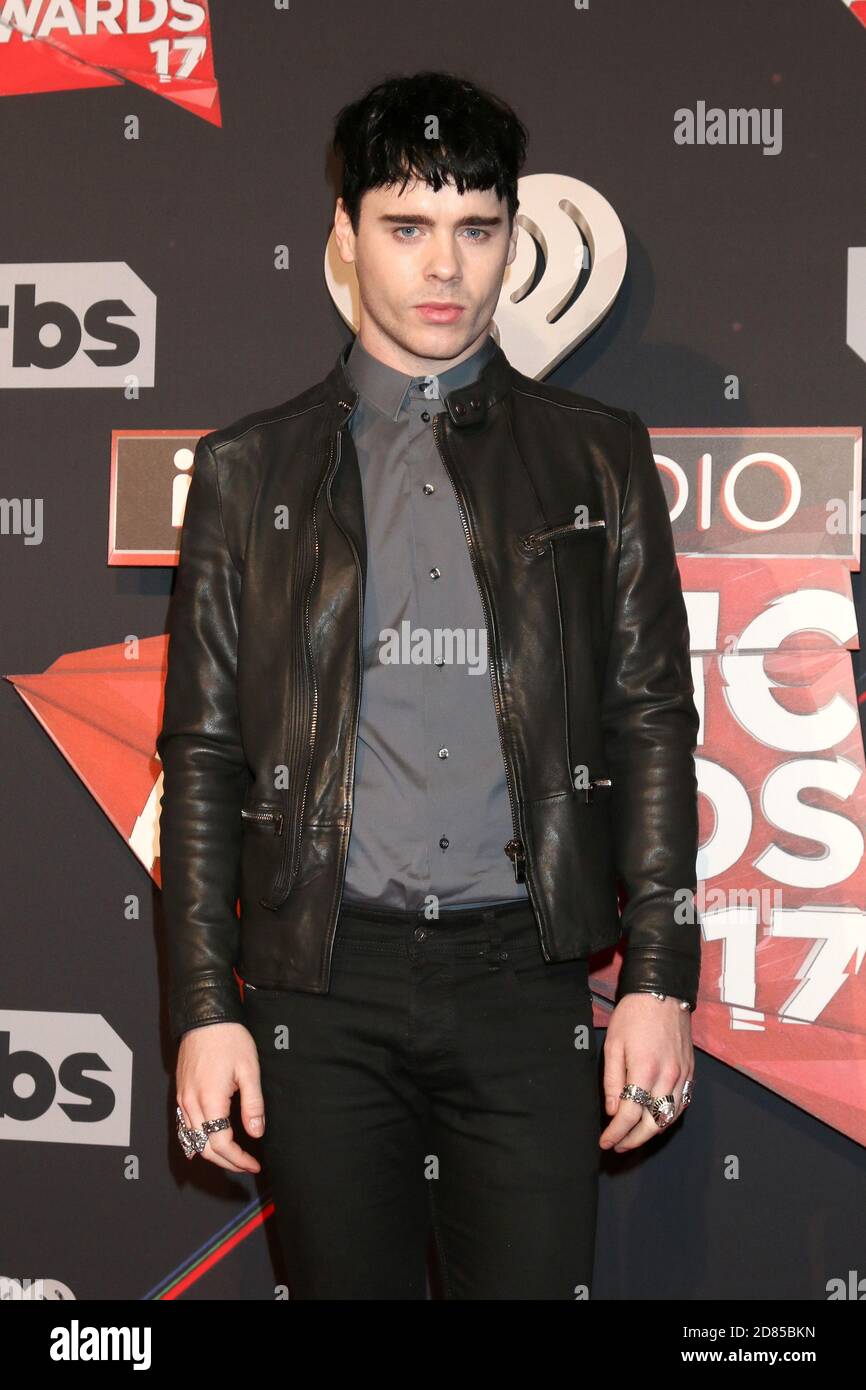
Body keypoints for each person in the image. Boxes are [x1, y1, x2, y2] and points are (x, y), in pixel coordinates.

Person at [158, 69, 701, 1300]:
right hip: (322, 989)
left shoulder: (595, 453)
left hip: (524, 985)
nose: (443, 266)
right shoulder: (248, 468)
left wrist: (661, 976)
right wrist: (202, 1007)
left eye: (475, 228)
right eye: (406, 226)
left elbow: (650, 722)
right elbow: (201, 756)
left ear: (512, 237)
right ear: (345, 240)